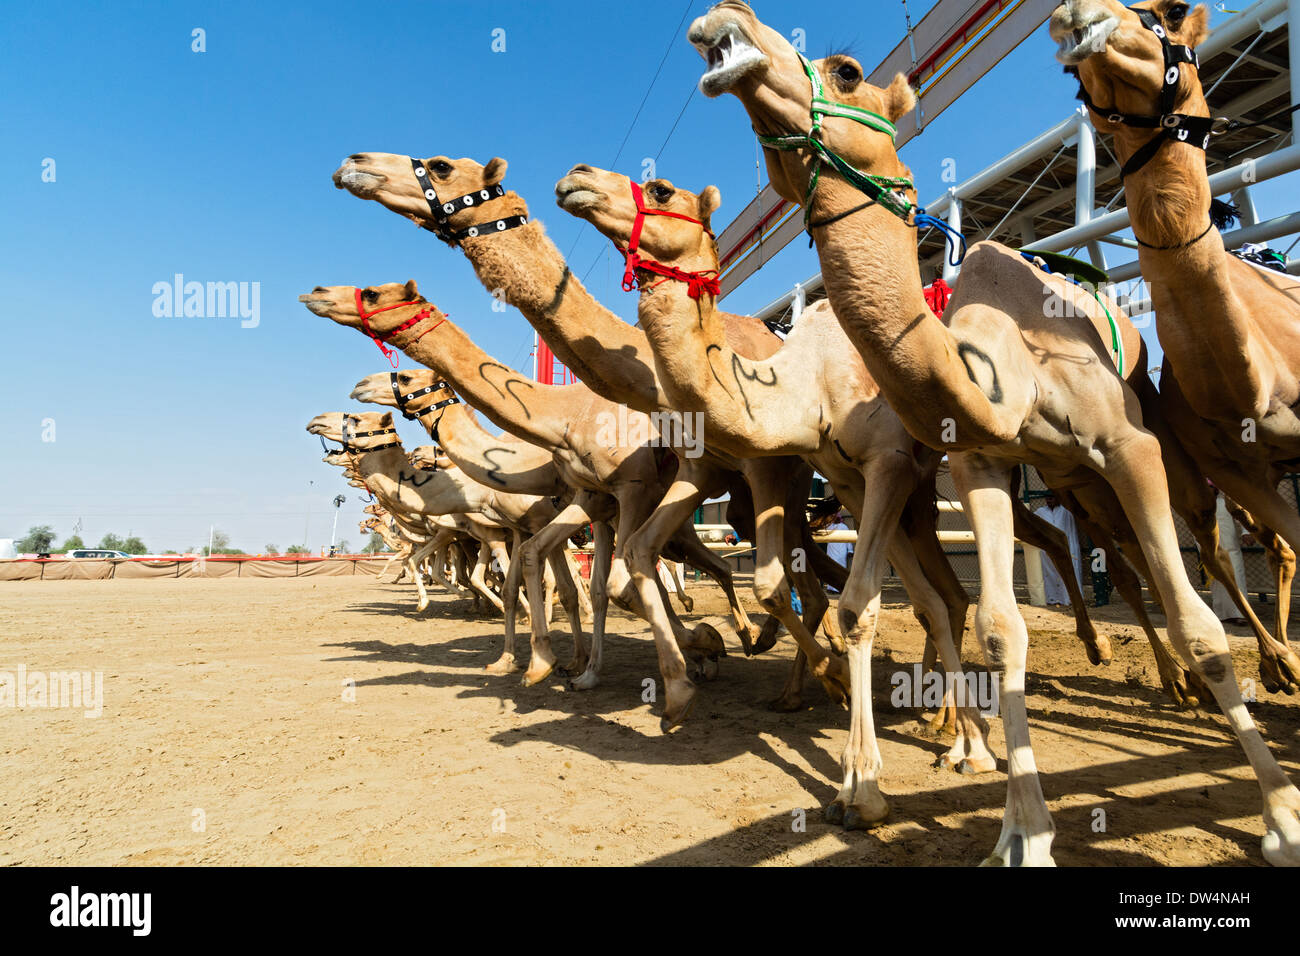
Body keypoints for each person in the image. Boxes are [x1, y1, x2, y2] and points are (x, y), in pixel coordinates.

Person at [1210, 491, 1250, 626]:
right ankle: (1222, 612)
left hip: (1222, 502)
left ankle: (1241, 612)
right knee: (1212, 562)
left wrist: (1246, 530)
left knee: (1232, 558)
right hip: (1200, 506)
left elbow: (1236, 497)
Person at [1036, 493, 1083, 607]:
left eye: (1052, 498)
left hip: (1067, 546)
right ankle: (1052, 598)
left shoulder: (1066, 511)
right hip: (1048, 548)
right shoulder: (1041, 512)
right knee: (1050, 572)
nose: (1049, 500)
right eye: (1047, 498)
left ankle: (1069, 598)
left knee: (1067, 572)